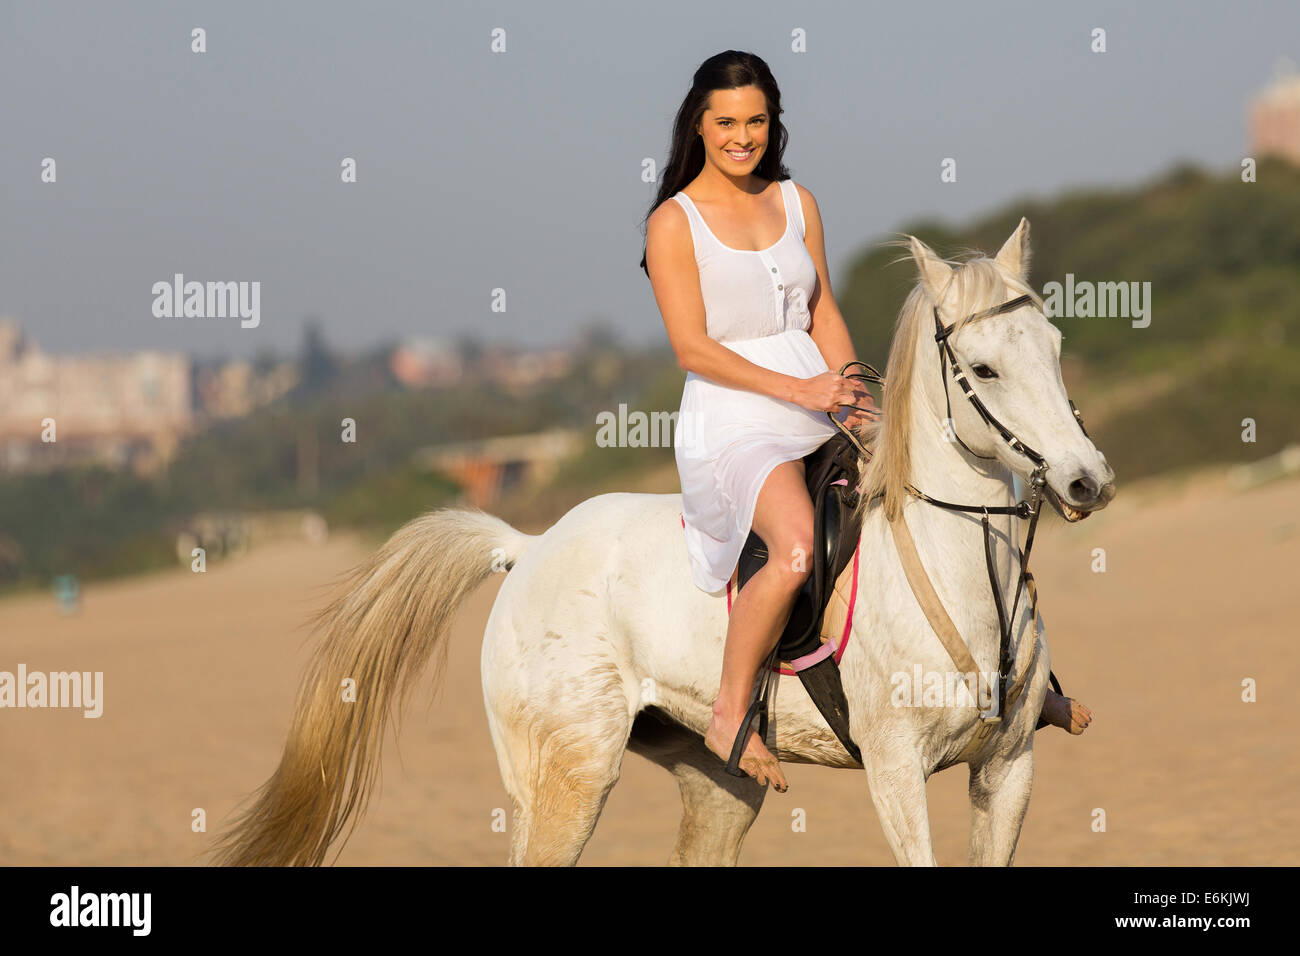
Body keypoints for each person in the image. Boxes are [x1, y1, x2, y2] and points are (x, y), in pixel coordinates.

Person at [641, 52, 1089, 793]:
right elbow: (692, 347)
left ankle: (1026, 682)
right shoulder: (673, 222)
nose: (741, 136)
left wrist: (851, 390)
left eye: (755, 121)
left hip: (817, 392)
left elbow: (821, 311)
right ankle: (728, 710)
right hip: (732, 418)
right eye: (726, 123)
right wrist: (802, 389)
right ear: (699, 124)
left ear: (771, 123)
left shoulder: (797, 202)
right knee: (791, 547)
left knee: (950, 497)